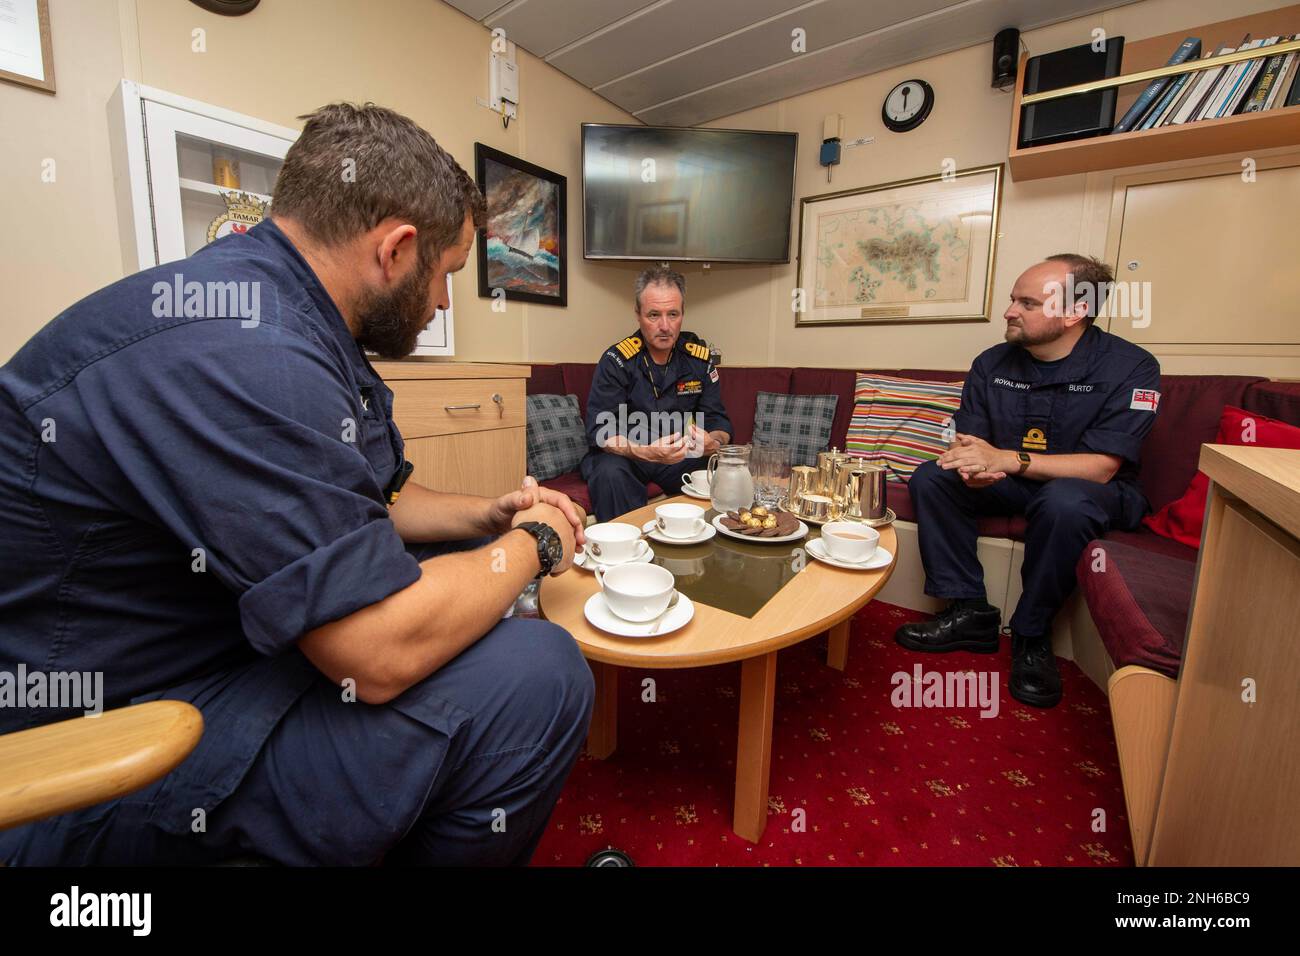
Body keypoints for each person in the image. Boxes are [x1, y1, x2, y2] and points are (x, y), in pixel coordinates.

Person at [0, 103, 594, 866]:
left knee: (463, 602)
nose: (444, 302)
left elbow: (372, 498)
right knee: (537, 674)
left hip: (210, 659)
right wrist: (536, 539)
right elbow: (374, 655)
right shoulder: (254, 353)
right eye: (445, 277)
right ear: (397, 249)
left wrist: (487, 515)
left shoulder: (285, 316)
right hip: (91, 750)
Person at [894, 254, 1161, 708]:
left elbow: (1102, 467)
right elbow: (970, 441)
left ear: (1075, 312)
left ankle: (1032, 633)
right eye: (1013, 299)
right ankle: (969, 611)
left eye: (1027, 303)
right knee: (933, 478)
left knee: (1064, 502)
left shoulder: (1132, 368)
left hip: (1091, 492)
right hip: (1010, 480)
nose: (1009, 311)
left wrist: (1006, 459)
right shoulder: (991, 363)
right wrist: (972, 467)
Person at [580, 267, 732, 521]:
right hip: (626, 456)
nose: (664, 326)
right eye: (654, 315)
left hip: (676, 455)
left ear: (682, 314)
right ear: (638, 315)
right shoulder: (616, 360)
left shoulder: (699, 360)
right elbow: (600, 431)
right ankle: (625, 553)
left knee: (723, 470)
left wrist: (712, 444)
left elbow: (719, 423)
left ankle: (702, 549)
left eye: (672, 314)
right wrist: (645, 451)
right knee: (610, 474)